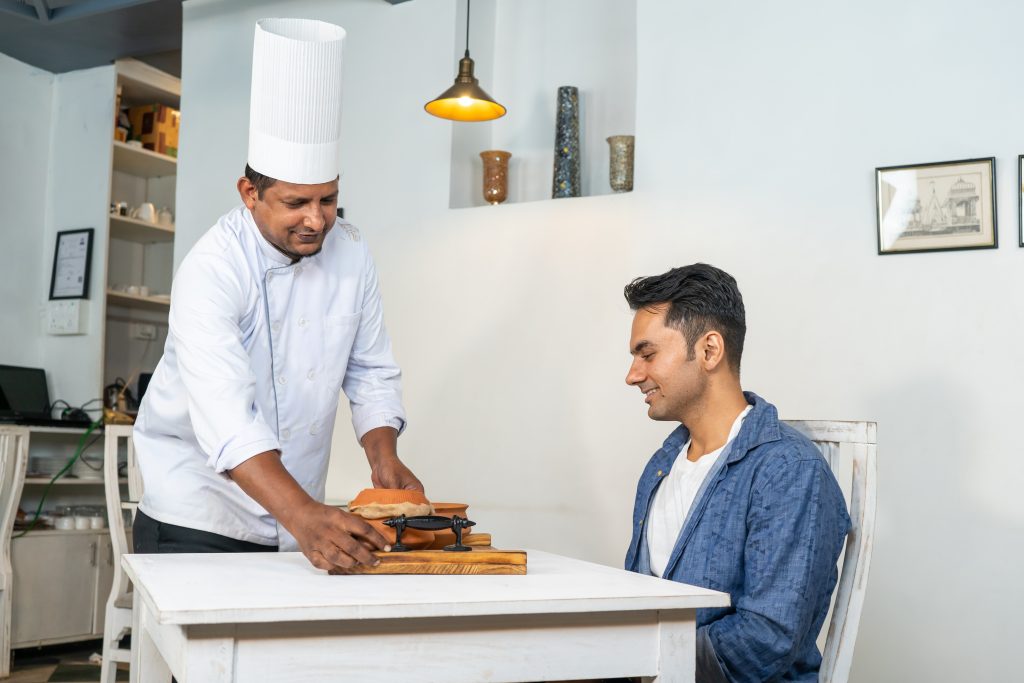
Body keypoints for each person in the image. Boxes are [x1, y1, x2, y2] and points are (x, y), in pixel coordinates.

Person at [132, 18, 421, 572]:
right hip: (198, 515)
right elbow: (226, 417)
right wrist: (305, 514)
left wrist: (383, 458)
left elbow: (370, 370)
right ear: (250, 193)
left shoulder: (352, 253)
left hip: (293, 515)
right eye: (296, 203)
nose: (317, 220)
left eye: (329, 199)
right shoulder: (212, 269)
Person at [622, 264, 850, 682]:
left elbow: (766, 638)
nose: (633, 375)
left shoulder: (788, 471)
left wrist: (642, 660)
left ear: (709, 351)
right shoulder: (661, 466)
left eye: (647, 354)